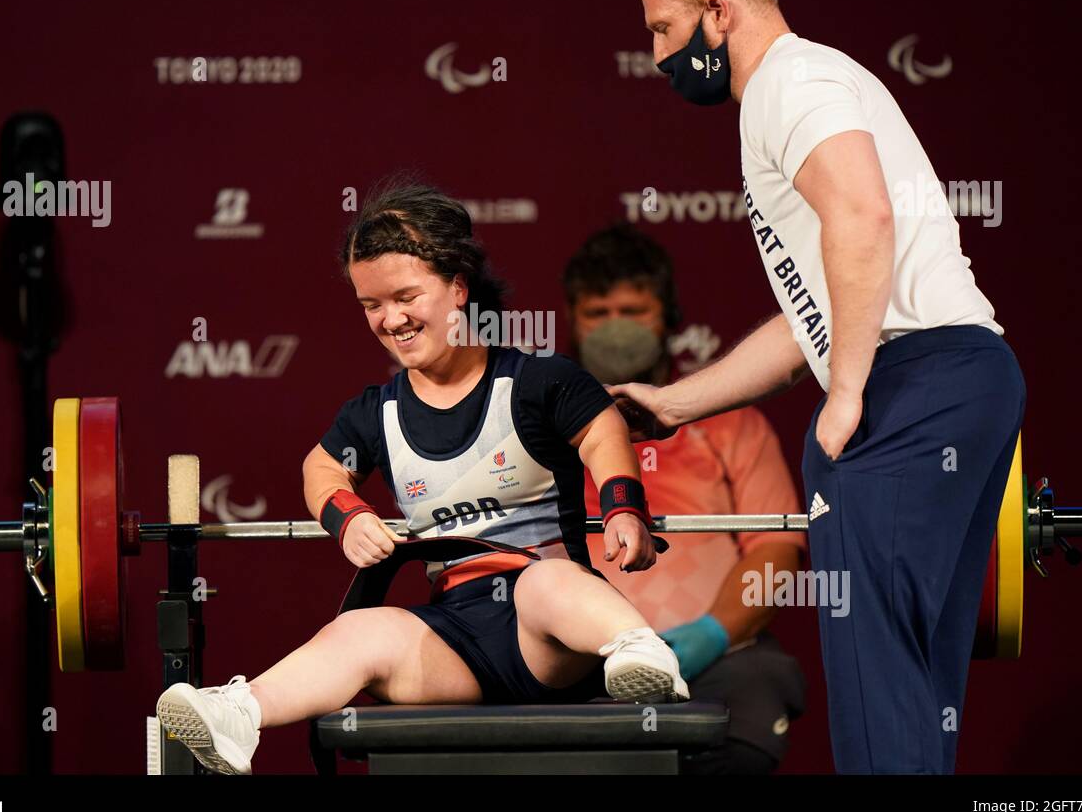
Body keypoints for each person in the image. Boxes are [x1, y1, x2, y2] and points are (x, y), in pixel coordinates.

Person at [615, 0, 1026, 774]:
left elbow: (862, 216)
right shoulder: (808, 80)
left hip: (911, 382)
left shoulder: (786, 82)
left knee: (880, 682)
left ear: (717, 11)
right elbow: (818, 315)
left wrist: (847, 396)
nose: (655, 56)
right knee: (914, 682)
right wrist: (675, 403)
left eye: (662, 27)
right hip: (958, 374)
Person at [155, 179, 689, 775]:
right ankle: (241, 714)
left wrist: (621, 506)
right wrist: (346, 515)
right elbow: (322, 466)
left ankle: (639, 651)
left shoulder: (539, 382)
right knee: (361, 630)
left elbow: (601, 431)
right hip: (457, 638)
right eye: (371, 305)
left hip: (552, 637)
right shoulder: (375, 411)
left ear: (458, 287)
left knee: (544, 583)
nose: (392, 319)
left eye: (407, 296)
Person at [564, 223, 807, 773]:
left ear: (669, 319)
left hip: (719, 664)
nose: (615, 328)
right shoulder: (536, 435)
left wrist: (710, 634)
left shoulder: (731, 423)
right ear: (573, 322)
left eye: (633, 310)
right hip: (574, 668)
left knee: (758, 684)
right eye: (598, 313)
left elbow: (777, 551)